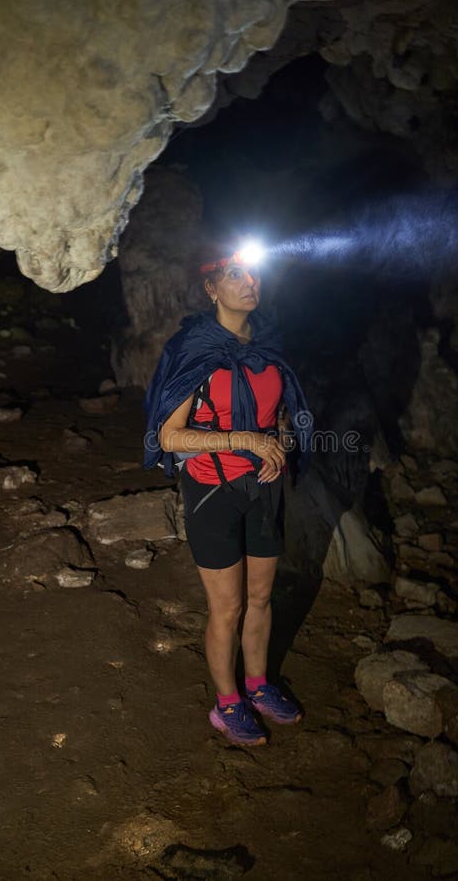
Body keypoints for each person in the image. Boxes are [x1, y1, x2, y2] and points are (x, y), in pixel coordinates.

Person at [143, 244, 313, 746]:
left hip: (263, 488)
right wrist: (243, 440)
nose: (249, 283)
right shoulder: (194, 350)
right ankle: (227, 703)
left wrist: (279, 443)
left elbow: (279, 415)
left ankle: (258, 686)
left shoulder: (269, 345)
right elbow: (169, 435)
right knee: (229, 607)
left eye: (254, 274)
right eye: (235, 275)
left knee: (260, 597)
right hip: (212, 491)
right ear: (211, 288)